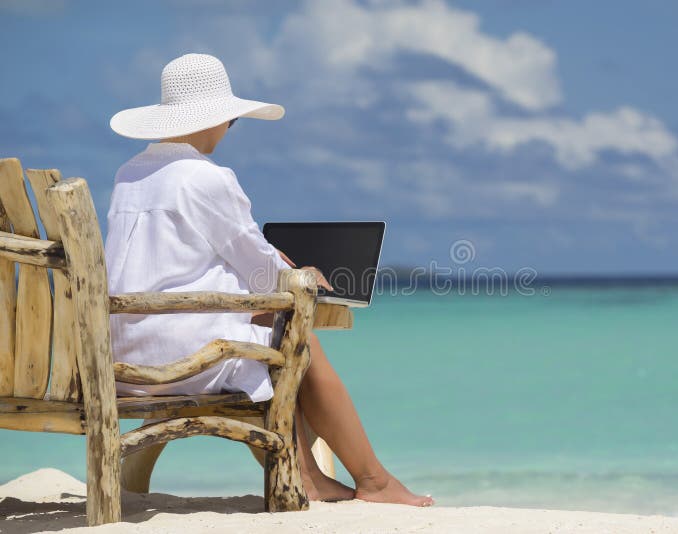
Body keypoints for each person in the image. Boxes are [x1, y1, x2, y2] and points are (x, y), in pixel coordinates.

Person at [107, 53, 433, 507]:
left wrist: (262, 266)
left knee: (273, 328)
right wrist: (298, 275)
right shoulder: (206, 177)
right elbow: (261, 270)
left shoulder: (130, 175)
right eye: (231, 121)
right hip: (177, 354)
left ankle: (310, 472)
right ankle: (372, 480)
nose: (228, 129)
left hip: (122, 346)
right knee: (301, 340)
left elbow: (170, 261)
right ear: (214, 119)